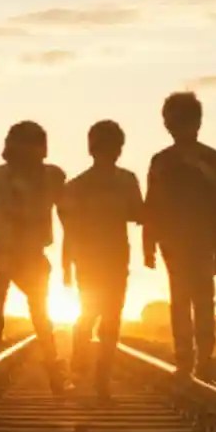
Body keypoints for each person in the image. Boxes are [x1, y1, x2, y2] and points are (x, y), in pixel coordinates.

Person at [0, 121, 68, 394]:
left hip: (31, 253)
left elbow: (67, 202)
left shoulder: (50, 176)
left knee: (31, 304)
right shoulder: (0, 176)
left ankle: (49, 361)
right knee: (8, 293)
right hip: (11, 252)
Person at [142, 91, 216, 381]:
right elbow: (152, 205)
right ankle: (186, 359)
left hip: (204, 240)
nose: (178, 127)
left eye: (183, 121)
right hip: (175, 242)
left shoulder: (211, 159)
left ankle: (203, 359)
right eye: (173, 122)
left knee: (201, 300)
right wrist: (149, 244)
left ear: (196, 123)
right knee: (182, 300)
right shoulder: (161, 161)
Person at [60, 120, 143, 401]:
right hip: (106, 259)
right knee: (105, 317)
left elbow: (69, 230)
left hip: (98, 260)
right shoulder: (123, 181)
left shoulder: (78, 185)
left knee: (96, 315)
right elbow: (139, 215)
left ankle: (89, 372)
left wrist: (66, 265)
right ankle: (95, 375)